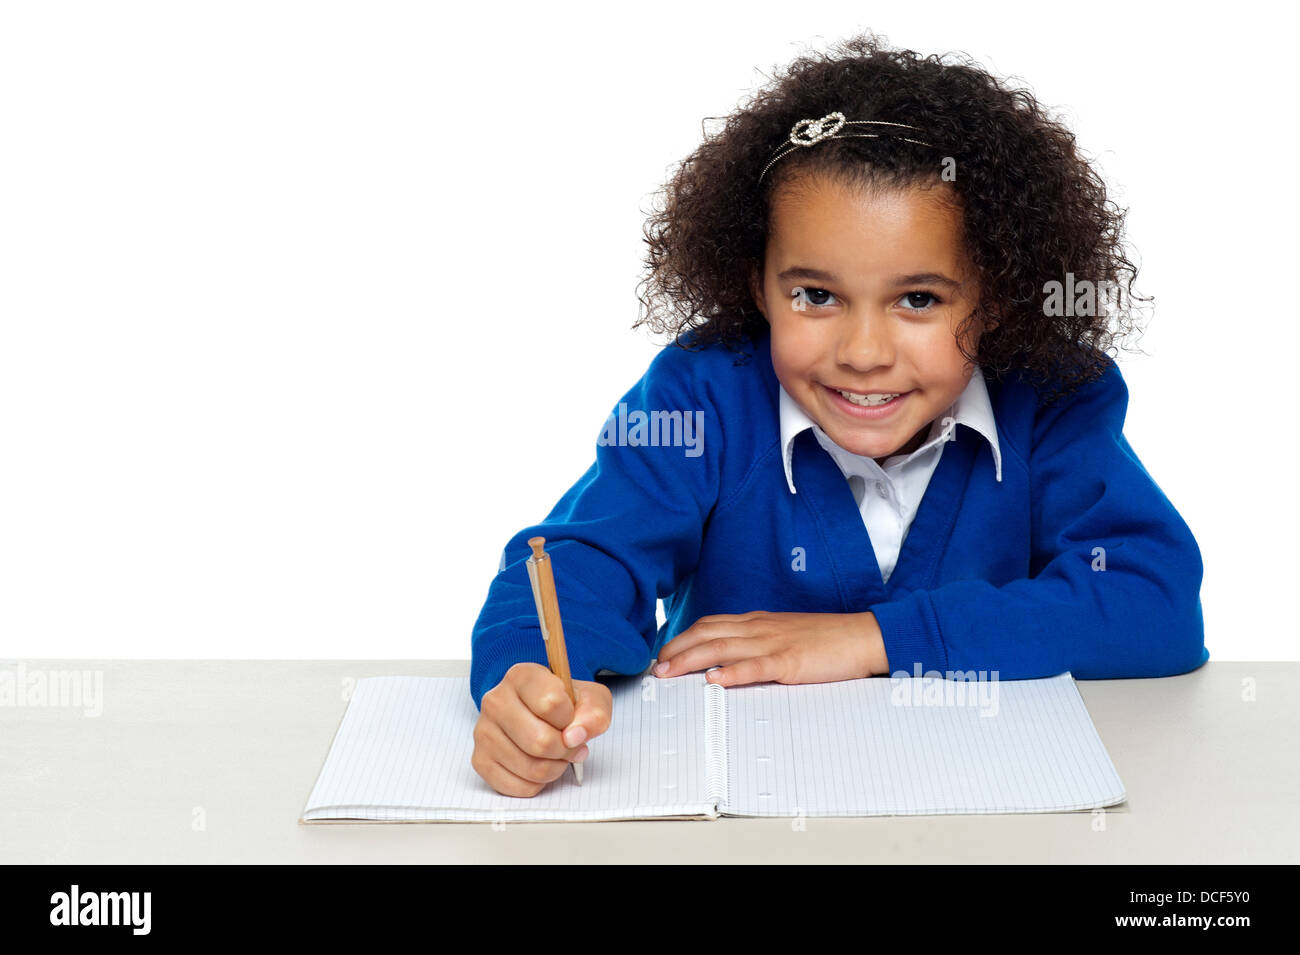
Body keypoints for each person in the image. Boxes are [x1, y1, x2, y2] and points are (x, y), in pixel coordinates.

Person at [467, 32, 1208, 797]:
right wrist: (527, 678)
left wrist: (872, 639)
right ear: (756, 285)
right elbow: (578, 564)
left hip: (978, 823)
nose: (862, 352)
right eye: (815, 295)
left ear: (996, 296)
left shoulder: (1051, 398)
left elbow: (1154, 598)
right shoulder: (703, 394)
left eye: (918, 299)